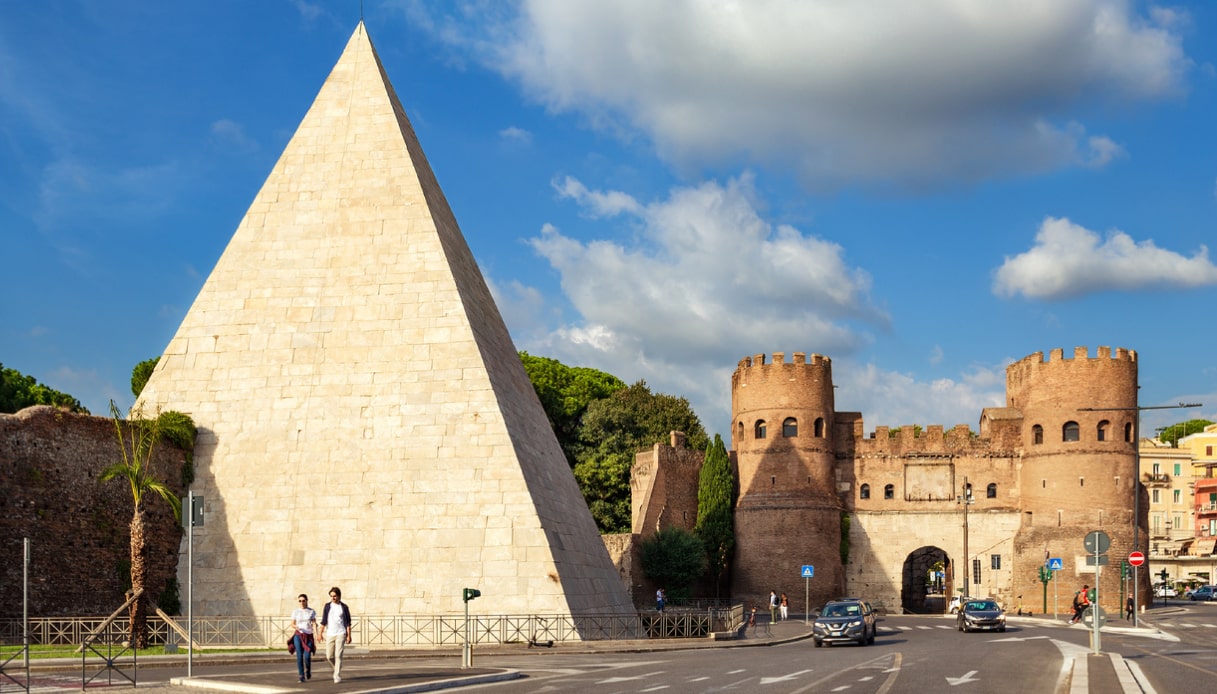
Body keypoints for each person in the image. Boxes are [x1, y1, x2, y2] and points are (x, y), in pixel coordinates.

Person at [319, 586, 352, 683]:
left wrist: (349, 635)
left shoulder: (344, 607)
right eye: (331, 596)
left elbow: (348, 623)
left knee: (338, 655)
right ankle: (337, 666)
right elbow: (324, 621)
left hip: (341, 633)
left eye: (335, 596)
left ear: (339, 596)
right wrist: (320, 633)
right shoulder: (327, 606)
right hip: (330, 633)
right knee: (329, 656)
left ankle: (337, 675)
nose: (333, 598)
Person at [289, 593, 317, 682]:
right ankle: (301, 675)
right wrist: (296, 627)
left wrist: (316, 634)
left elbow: (314, 623)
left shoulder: (311, 611)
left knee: (307, 656)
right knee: (299, 655)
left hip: (308, 635)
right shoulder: (295, 611)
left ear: (306, 601)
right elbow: (292, 624)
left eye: (303, 600)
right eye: (300, 601)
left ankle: (308, 670)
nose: (301, 602)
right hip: (298, 635)